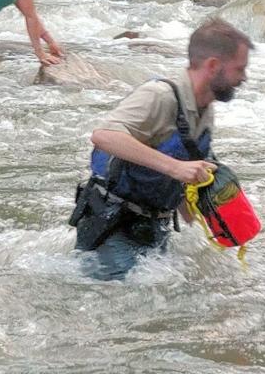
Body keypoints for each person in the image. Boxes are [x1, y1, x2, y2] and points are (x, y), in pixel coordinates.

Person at [70, 17, 251, 280]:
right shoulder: (160, 95)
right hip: (113, 227)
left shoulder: (205, 108)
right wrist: (175, 168)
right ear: (213, 66)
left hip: (156, 228)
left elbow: (184, 168)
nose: (243, 78)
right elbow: (104, 136)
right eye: (239, 69)